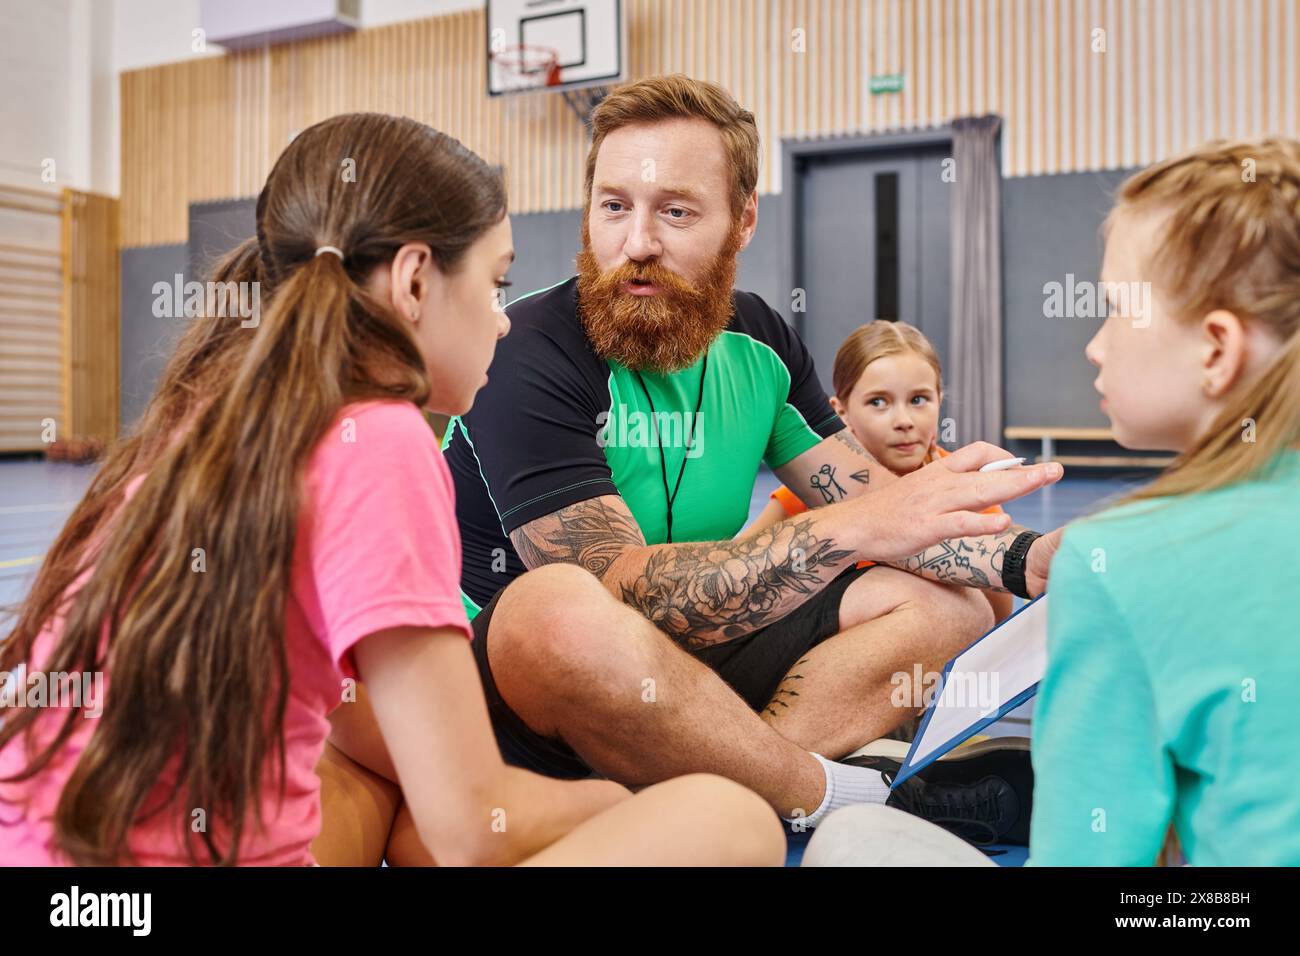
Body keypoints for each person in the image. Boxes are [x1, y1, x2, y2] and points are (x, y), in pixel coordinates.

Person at [0, 112, 784, 867]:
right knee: (732, 818)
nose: (504, 320)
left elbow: (354, 719)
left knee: (393, 792)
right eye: (495, 283)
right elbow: (474, 833)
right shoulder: (381, 439)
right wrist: (622, 805)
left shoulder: (213, 409)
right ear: (414, 281)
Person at [426, 73, 1067, 843]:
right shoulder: (525, 349)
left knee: (945, 601)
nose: (636, 244)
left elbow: (876, 502)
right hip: (536, 688)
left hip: (687, 671)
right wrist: (851, 530)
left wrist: (1035, 560)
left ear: (743, 220)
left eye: (677, 212)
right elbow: (616, 597)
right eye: (614, 205)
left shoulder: (759, 338)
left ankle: (738, 790)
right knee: (558, 612)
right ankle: (833, 795)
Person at [1029, 137, 1300, 865]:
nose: (1096, 346)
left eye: (1117, 310)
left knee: (864, 838)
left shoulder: (1121, 563)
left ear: (1215, 348)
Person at [744, 319, 1014, 626]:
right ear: (840, 412)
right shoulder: (816, 485)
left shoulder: (968, 490)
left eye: (918, 400)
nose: (903, 420)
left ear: (939, 400)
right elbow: (743, 571)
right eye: (878, 402)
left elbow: (998, 613)